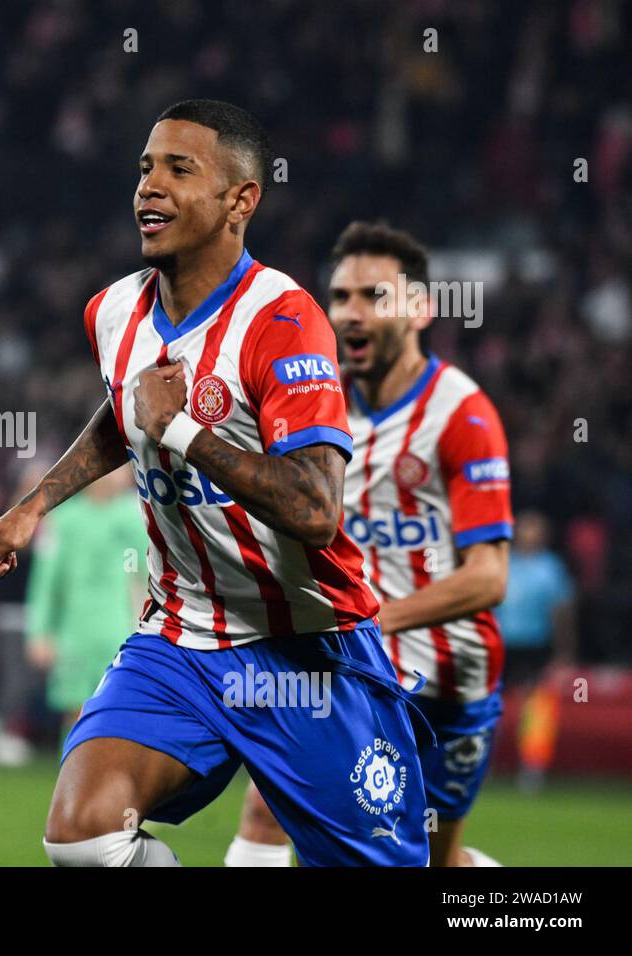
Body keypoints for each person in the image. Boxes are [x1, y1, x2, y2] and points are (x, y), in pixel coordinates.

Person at [0, 100, 430, 866]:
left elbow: (315, 509)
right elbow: (123, 415)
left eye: (180, 169)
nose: (151, 186)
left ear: (241, 200)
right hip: (180, 640)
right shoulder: (111, 312)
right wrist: (35, 505)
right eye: (145, 168)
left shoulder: (284, 321)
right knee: (82, 833)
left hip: (307, 653)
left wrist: (182, 431)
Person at [227, 221, 513, 867]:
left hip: (451, 677)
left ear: (420, 308)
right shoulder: (317, 407)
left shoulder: (462, 415)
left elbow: (490, 577)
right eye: (341, 296)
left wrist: (380, 619)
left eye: (373, 297)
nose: (351, 313)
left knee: (433, 860)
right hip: (361, 664)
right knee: (269, 805)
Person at [25, 464, 150, 737]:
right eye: (113, 467)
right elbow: (45, 582)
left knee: (122, 711)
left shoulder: (137, 516)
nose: (119, 474)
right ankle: (74, 775)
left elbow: (150, 579)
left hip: (122, 630)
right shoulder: (62, 520)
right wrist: (39, 632)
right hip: (74, 633)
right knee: (76, 711)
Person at [496, 509, 576, 791]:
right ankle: (479, 763)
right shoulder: (504, 562)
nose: (530, 535)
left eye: (535, 529)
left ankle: (531, 770)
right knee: (491, 704)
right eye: (526, 528)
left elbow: (562, 613)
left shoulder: (551, 568)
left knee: (538, 709)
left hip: (535, 647)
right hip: (502, 644)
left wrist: (564, 652)